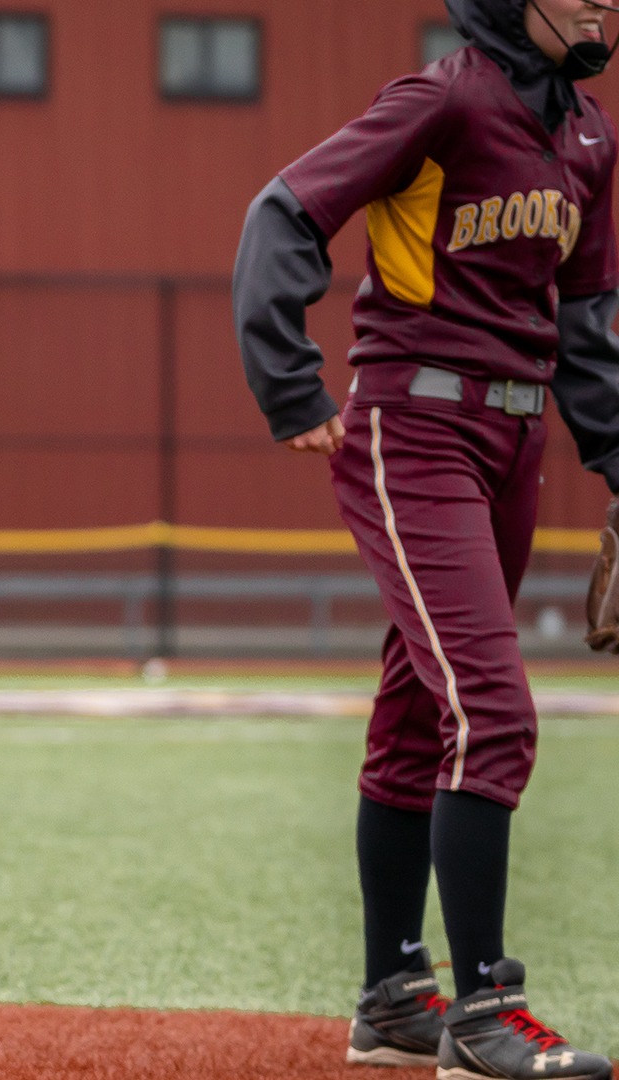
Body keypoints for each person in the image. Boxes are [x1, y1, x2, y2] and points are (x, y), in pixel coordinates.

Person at [233, 2, 619, 1077]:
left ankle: (392, 996)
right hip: (414, 425)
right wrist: (285, 379)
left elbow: (582, 323)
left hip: (513, 437)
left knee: (419, 710)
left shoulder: (587, 134)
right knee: (489, 709)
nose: (600, 2)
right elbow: (282, 212)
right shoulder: (441, 97)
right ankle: (480, 1010)